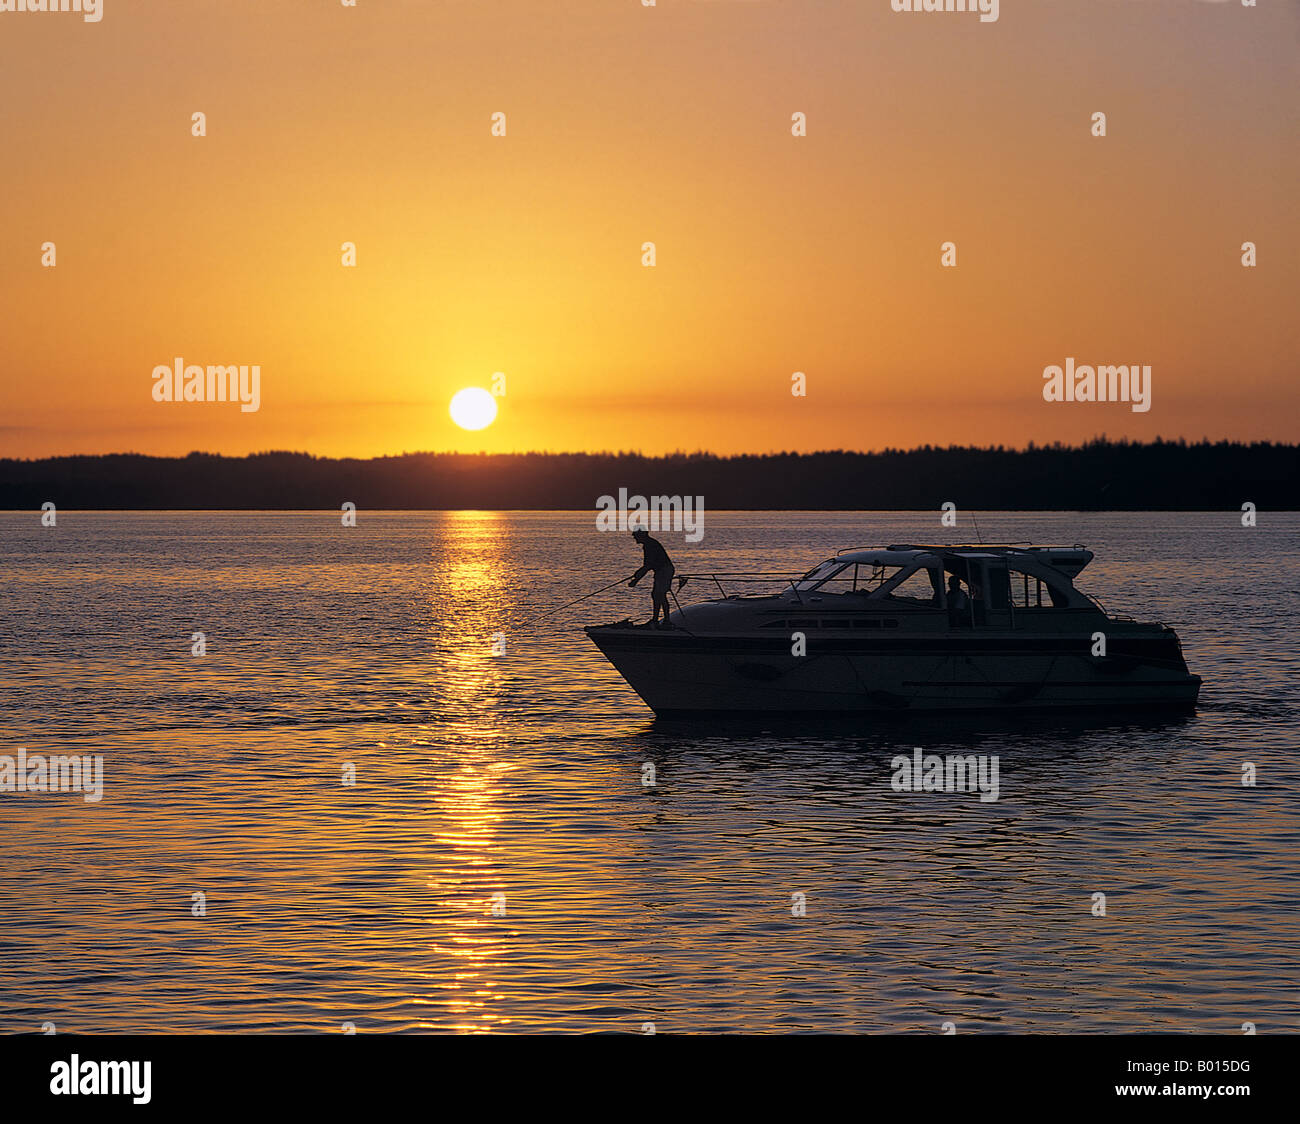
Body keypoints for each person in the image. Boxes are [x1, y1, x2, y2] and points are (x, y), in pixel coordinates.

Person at [628, 528, 675, 628]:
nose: (634, 538)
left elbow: (648, 565)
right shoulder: (648, 544)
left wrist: (636, 579)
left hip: (664, 571)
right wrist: (638, 574)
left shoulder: (650, 545)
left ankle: (664, 621)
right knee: (656, 595)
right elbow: (648, 565)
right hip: (661, 571)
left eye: (635, 536)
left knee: (660, 595)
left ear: (642, 535)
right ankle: (657, 620)